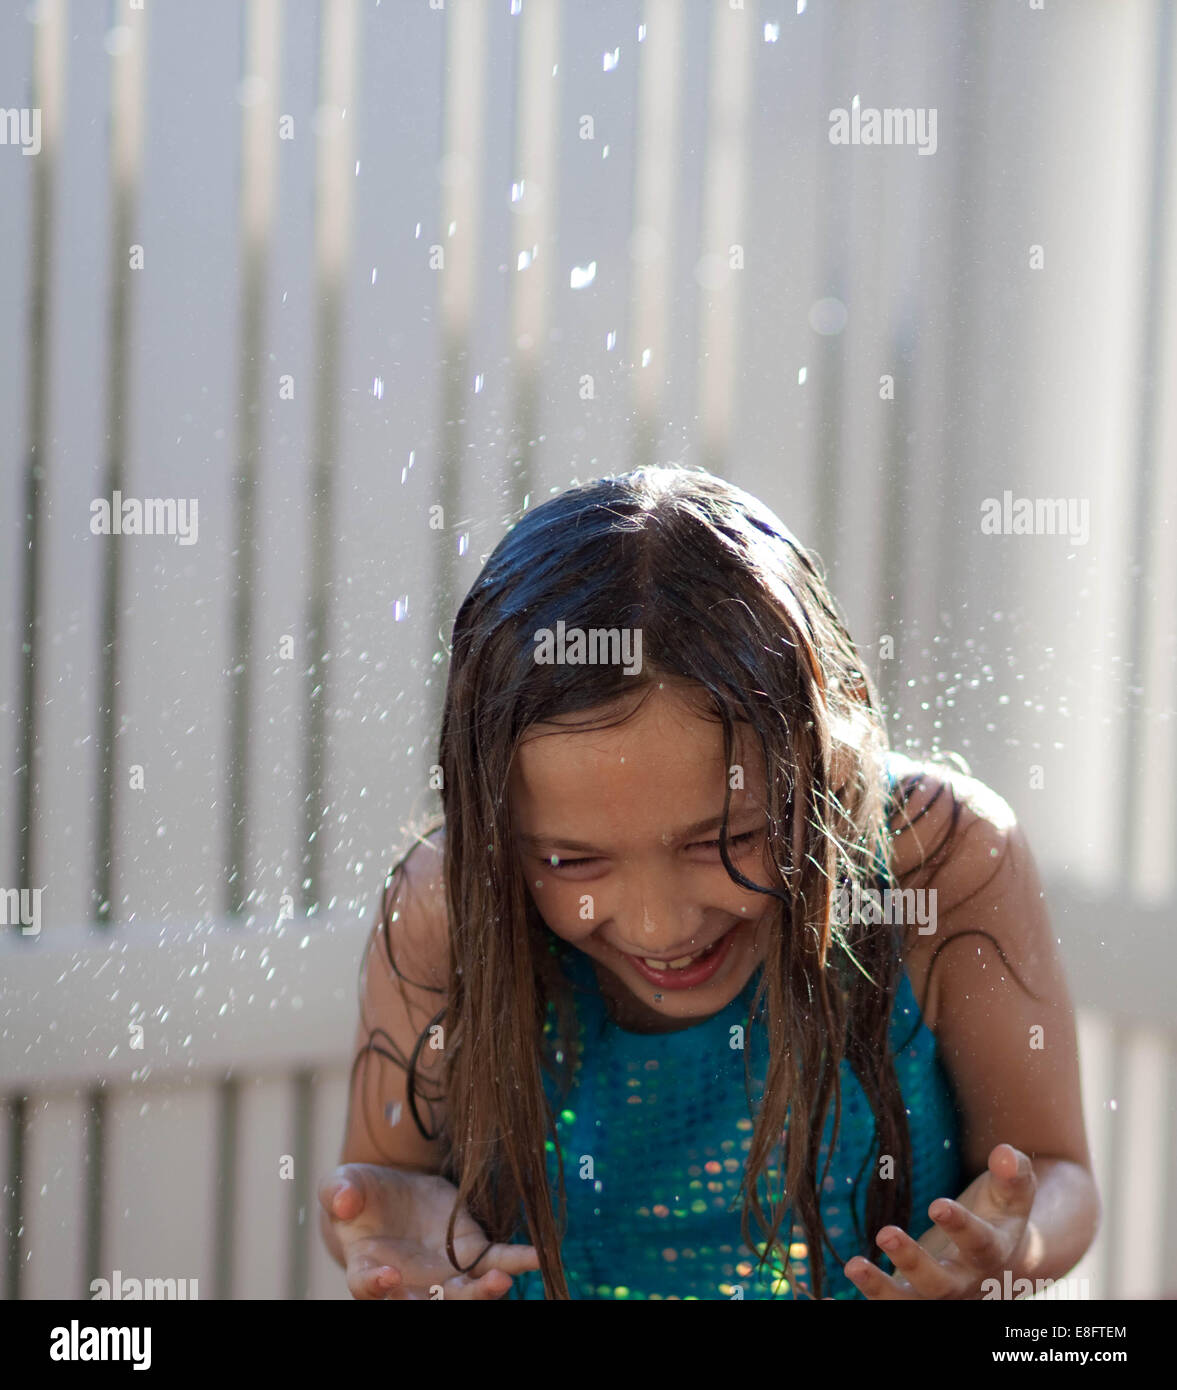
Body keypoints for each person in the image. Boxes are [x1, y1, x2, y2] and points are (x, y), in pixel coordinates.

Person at [318, 465, 1099, 1300]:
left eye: (727, 840)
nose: (657, 927)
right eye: (568, 861)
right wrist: (388, 1221)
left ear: (823, 761)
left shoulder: (941, 860)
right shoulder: (447, 902)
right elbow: (382, 1196)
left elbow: (1057, 1174)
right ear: (495, 828)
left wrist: (1010, 1242)